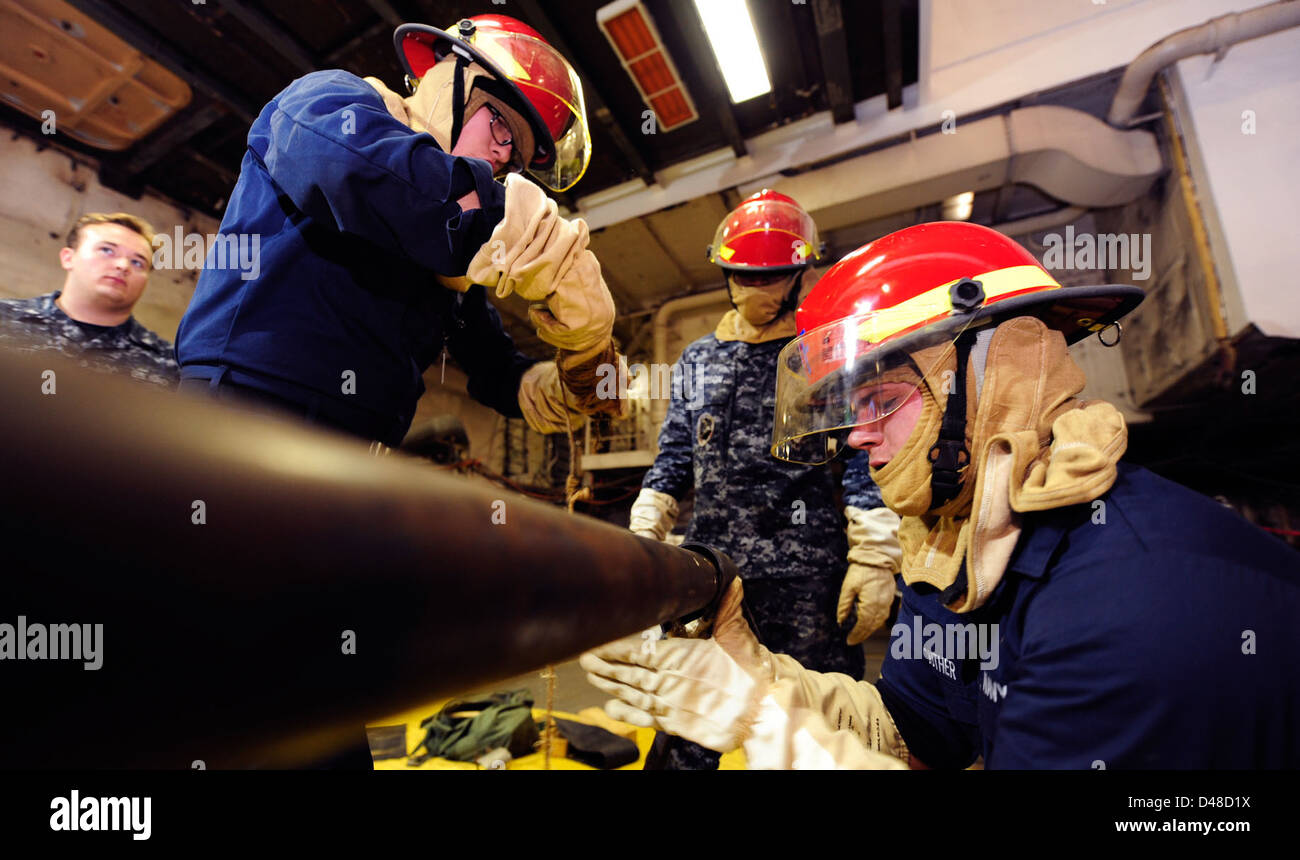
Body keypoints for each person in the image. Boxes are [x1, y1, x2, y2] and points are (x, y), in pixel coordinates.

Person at [583, 221, 1300, 768]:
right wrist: (760, 678)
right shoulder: (962, 548)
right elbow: (914, 735)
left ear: (998, 378)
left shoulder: (1131, 610)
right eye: (848, 410)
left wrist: (763, 729)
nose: (856, 441)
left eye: (881, 402)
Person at [176, 14, 624, 447]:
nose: (503, 157)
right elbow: (358, 172)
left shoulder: (452, 256)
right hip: (246, 410)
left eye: (515, 160)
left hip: (362, 449)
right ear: (455, 87)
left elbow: (497, 369)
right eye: (502, 125)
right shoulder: (330, 101)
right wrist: (556, 257)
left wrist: (574, 383)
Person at [627, 190, 900, 769]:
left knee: (810, 732)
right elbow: (675, 451)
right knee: (690, 722)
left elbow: (859, 455)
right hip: (715, 577)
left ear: (798, 275)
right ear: (725, 274)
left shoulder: (826, 353)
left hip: (808, 582)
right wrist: (647, 524)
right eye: (745, 278)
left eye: (773, 278)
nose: (758, 291)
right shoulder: (699, 359)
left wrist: (875, 555)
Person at [0, 212, 177, 389]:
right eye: (107, 250)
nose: (123, 266)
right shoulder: (5, 318)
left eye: (138, 262)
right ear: (68, 258)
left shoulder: (169, 364)